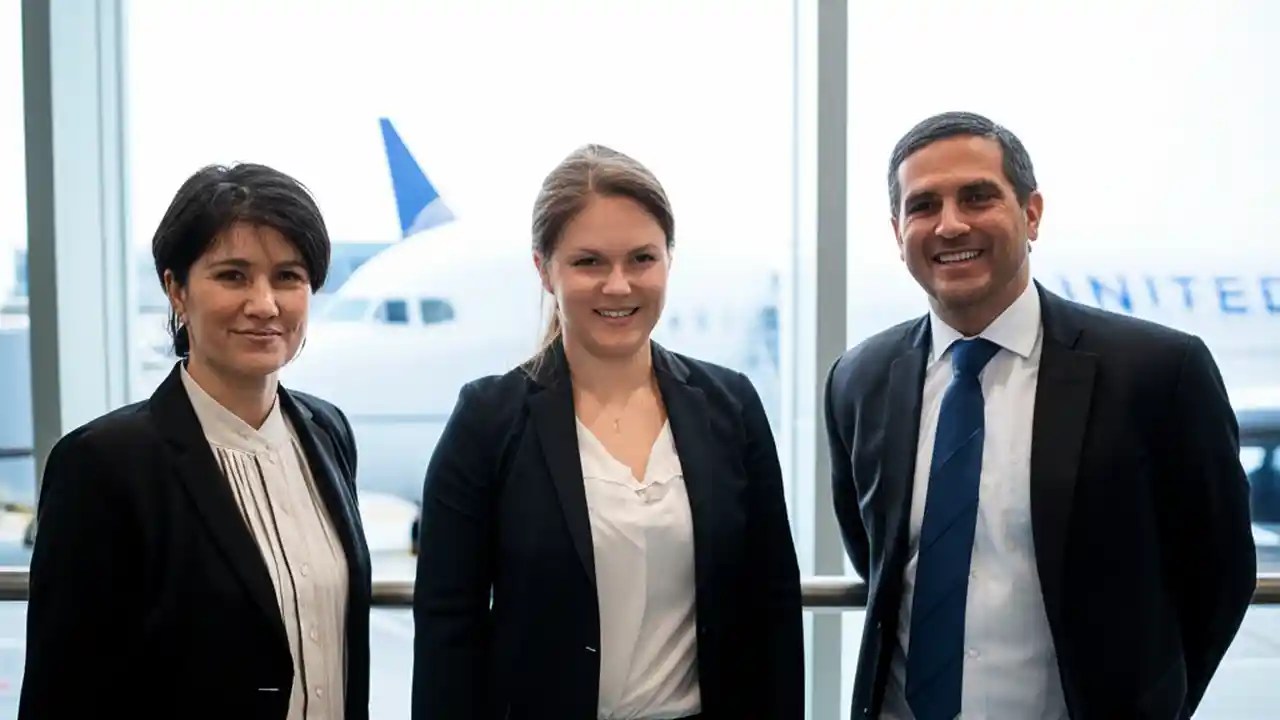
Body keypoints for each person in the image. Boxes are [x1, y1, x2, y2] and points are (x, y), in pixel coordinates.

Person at [824, 111, 1256, 719]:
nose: (950, 224)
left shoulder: (1158, 371)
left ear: (1031, 214)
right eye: (923, 206)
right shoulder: (859, 380)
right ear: (898, 232)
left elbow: (1221, 573)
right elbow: (875, 555)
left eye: (977, 197)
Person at [412, 144, 804, 719]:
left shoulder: (731, 408)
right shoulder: (488, 420)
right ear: (544, 270)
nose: (618, 286)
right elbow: (448, 627)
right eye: (589, 262)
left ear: (670, 260)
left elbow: (772, 608)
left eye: (642, 259)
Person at [19, 163, 371, 719]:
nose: (264, 304)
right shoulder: (105, 463)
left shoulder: (327, 432)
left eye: (288, 276)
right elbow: (61, 689)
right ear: (176, 289)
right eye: (233, 275)